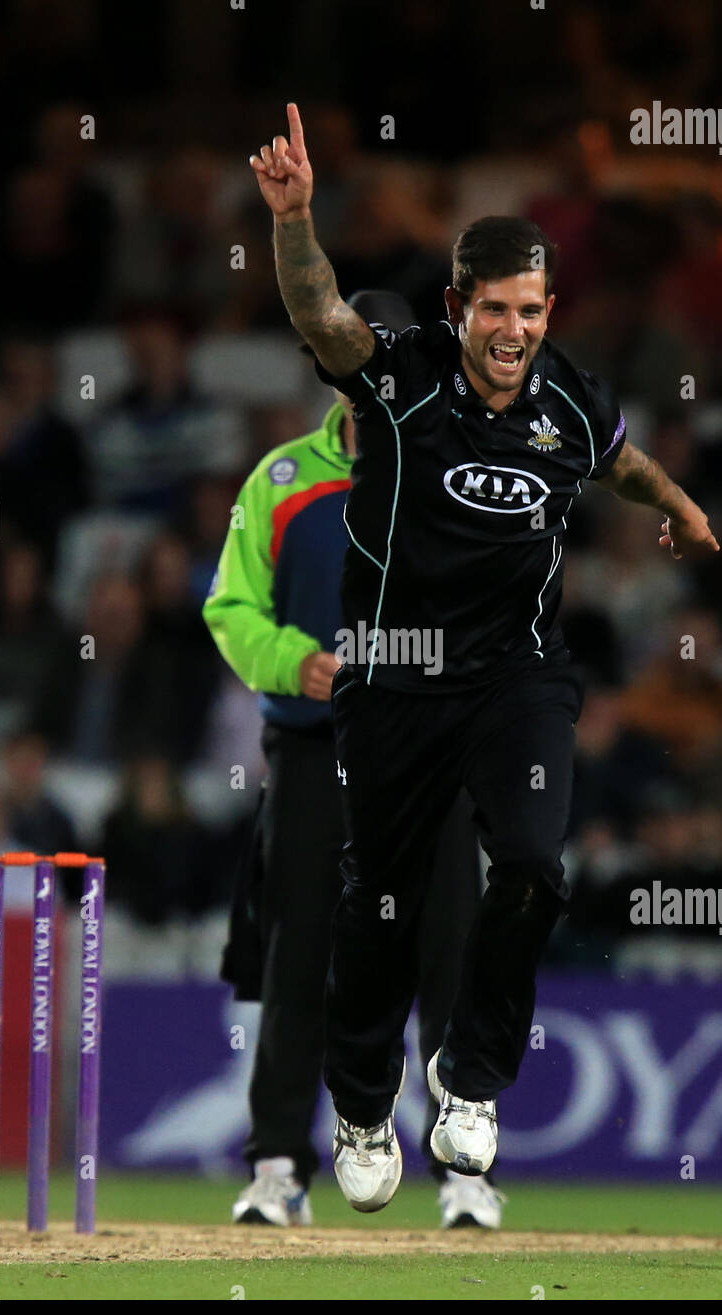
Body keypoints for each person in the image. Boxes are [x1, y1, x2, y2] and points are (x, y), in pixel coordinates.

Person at [249, 104, 720, 1213]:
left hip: (517, 674)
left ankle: (466, 1081)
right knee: (380, 902)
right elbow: (320, 311)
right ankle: (363, 1105)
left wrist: (681, 504)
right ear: (457, 305)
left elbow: (620, 462)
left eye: (529, 310)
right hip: (397, 672)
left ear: (548, 310)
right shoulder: (399, 376)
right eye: (493, 309)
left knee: (534, 863)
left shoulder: (566, 395)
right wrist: (294, 219)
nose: (511, 330)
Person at [203, 292, 494, 1228]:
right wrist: (299, 661)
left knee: (447, 956)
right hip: (311, 750)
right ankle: (281, 1168)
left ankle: (464, 1173)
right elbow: (229, 609)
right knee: (300, 962)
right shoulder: (283, 479)